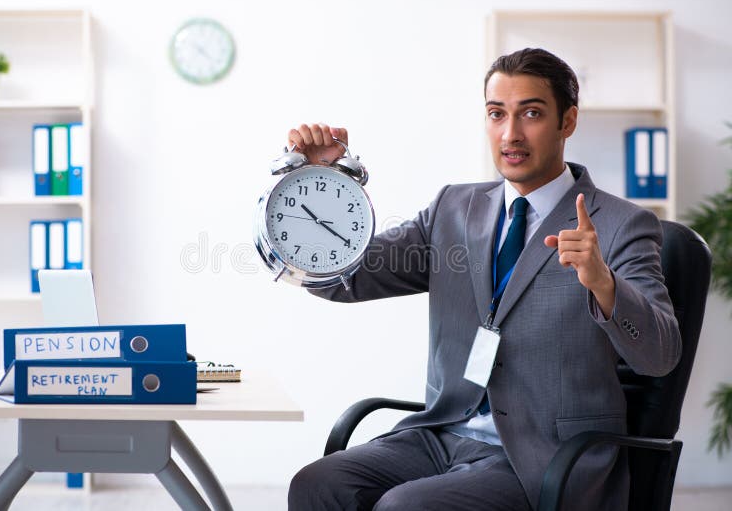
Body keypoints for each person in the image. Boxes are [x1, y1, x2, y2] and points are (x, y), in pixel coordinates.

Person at [286, 48, 681, 511]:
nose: (510, 134)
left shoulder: (620, 224)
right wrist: (321, 186)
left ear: (567, 121)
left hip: (544, 458)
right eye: (497, 114)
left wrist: (603, 284)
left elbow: (660, 355)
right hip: (442, 433)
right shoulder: (454, 209)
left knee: (406, 508)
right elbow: (344, 279)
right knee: (316, 484)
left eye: (531, 113)